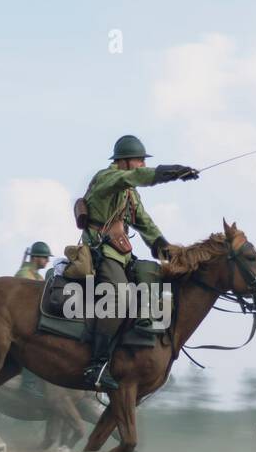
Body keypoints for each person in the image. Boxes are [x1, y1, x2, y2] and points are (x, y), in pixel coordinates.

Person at [77, 134, 197, 390]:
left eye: (144, 161)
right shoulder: (108, 178)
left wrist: (163, 248)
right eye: (139, 160)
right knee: (118, 296)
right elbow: (129, 178)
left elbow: (143, 221)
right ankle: (96, 365)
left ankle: (142, 337)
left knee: (152, 273)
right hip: (100, 251)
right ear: (124, 161)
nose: (142, 165)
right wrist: (168, 173)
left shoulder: (130, 194)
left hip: (122, 251)